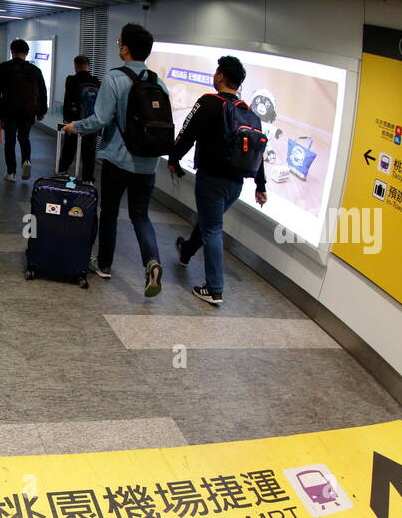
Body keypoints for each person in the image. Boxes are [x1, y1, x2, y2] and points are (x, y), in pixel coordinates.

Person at [62, 23, 165, 298]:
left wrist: (75, 127)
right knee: (140, 216)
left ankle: (104, 264)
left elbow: (100, 120)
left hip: (118, 160)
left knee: (109, 212)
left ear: (125, 49)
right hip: (147, 163)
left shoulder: (114, 78)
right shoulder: (158, 82)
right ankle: (152, 261)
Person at [168, 55, 269, 306]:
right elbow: (258, 153)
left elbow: (187, 133)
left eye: (216, 73)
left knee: (212, 228)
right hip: (236, 184)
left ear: (221, 76)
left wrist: (173, 158)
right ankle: (187, 251)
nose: (214, 76)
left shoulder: (208, 102)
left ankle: (214, 289)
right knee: (208, 222)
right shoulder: (249, 114)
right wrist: (260, 185)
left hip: (211, 179)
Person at [0, 39, 47, 182]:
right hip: (28, 111)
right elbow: (43, 92)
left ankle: (11, 173)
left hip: (9, 110)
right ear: (26, 53)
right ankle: (26, 160)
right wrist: (42, 111)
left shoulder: (4, 67)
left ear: (12, 52)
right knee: (24, 137)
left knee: (10, 140)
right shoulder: (35, 70)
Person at [58, 55, 100, 182]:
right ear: (89, 66)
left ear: (75, 66)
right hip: (91, 121)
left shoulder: (71, 80)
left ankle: (63, 171)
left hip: (74, 120)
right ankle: (88, 178)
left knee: (69, 147)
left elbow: (67, 100)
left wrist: (66, 118)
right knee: (89, 151)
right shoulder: (97, 81)